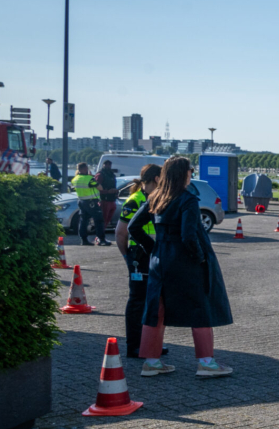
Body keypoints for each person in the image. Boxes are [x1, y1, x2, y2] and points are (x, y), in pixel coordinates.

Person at [127, 157, 234, 378]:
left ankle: (151, 362)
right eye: (190, 170)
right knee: (200, 308)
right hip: (185, 262)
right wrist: (200, 258)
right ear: (183, 173)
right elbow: (188, 235)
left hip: (160, 260)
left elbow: (133, 227)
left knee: (156, 310)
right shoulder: (188, 199)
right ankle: (206, 363)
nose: (191, 174)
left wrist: (153, 248)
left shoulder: (156, 197)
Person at [115, 165, 165, 359]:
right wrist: (127, 257)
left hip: (154, 253)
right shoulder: (135, 200)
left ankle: (150, 343)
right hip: (140, 255)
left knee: (154, 300)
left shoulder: (157, 197)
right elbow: (121, 232)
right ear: (156, 178)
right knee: (137, 300)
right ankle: (134, 345)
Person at [71, 162, 109, 246]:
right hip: (91, 202)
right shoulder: (89, 179)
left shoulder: (75, 179)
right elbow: (100, 188)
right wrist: (92, 177)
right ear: (85, 169)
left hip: (81, 201)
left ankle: (84, 240)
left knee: (83, 221)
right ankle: (101, 239)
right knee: (99, 220)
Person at [96, 159, 119, 235]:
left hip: (112, 199)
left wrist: (116, 192)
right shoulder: (100, 175)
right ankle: (99, 236)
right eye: (106, 164)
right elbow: (96, 188)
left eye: (109, 164)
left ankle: (101, 235)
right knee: (103, 220)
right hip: (104, 200)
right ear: (103, 165)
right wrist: (107, 191)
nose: (108, 166)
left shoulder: (111, 174)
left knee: (107, 220)